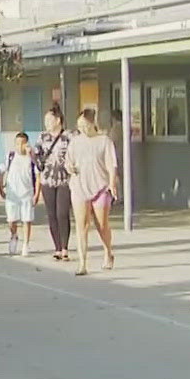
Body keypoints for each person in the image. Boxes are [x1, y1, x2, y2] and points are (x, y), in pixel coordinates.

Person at [66, 109, 120, 275]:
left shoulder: (104, 141)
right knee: (81, 225)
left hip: (100, 187)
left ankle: (108, 252)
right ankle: (82, 263)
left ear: (92, 123)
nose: (82, 128)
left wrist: (112, 183)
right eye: (79, 125)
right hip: (79, 186)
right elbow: (68, 162)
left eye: (85, 125)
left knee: (101, 224)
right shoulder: (75, 142)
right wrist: (70, 168)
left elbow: (111, 165)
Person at [34, 105, 74, 262]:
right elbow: (37, 157)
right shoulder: (42, 137)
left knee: (62, 213)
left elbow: (76, 153)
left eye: (50, 120)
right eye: (45, 121)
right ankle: (57, 247)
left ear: (58, 120)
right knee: (51, 214)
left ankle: (65, 247)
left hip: (65, 179)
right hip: (47, 179)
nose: (47, 123)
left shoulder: (69, 136)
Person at [0, 131, 39, 256]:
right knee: (11, 220)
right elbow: (1, 172)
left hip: (27, 193)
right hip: (12, 194)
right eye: (17, 143)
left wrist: (37, 194)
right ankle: (14, 236)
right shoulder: (10, 156)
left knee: (27, 220)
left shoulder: (31, 159)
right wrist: (1, 189)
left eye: (22, 143)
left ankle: (26, 244)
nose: (19, 146)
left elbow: (38, 175)